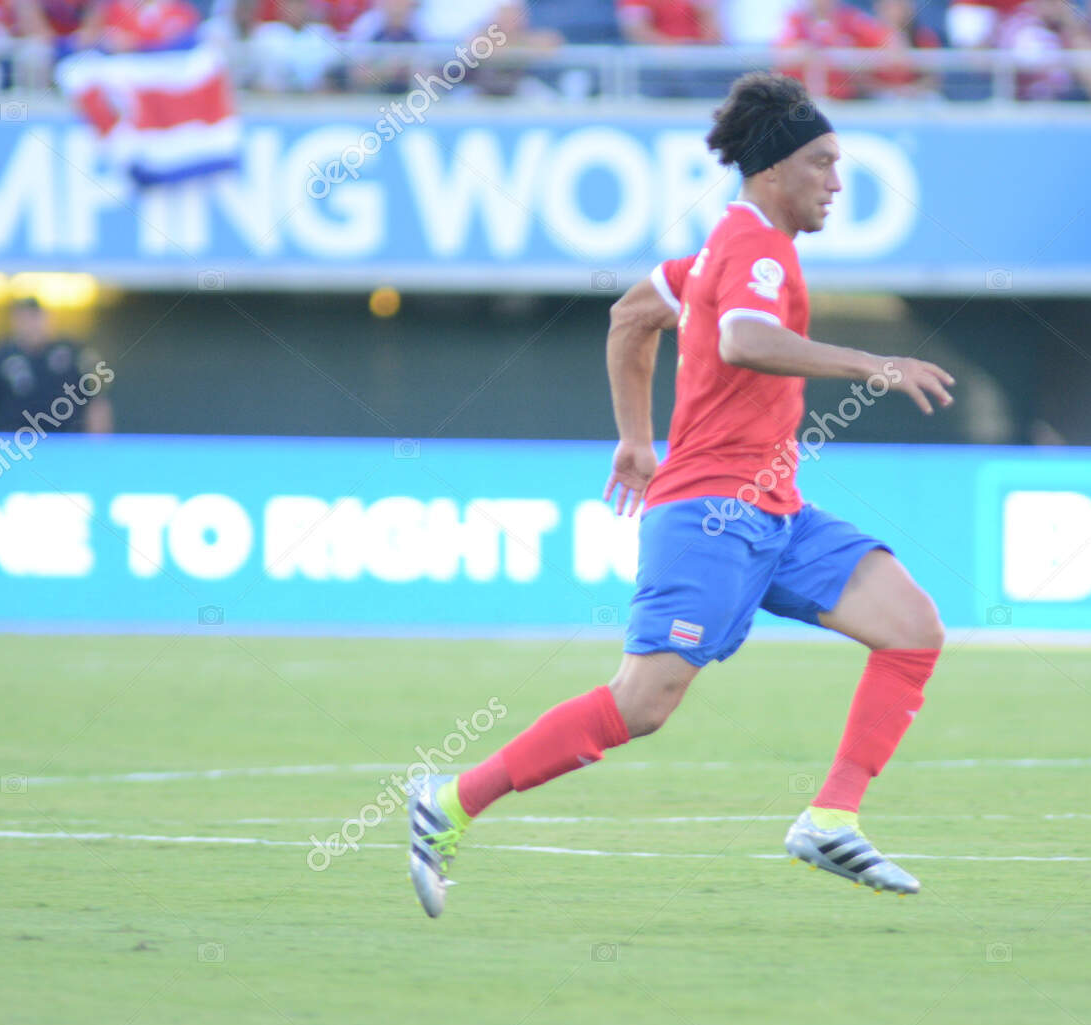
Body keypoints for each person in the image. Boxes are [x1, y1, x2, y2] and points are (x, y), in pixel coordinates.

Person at [408, 71, 956, 917]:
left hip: (774, 508)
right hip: (709, 513)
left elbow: (632, 314)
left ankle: (830, 816)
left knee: (913, 628)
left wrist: (635, 438)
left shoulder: (716, 248)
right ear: (774, 169)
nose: (836, 183)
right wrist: (873, 364)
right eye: (823, 163)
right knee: (642, 704)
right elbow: (742, 338)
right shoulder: (756, 250)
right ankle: (450, 802)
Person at [0, 299, 113, 434]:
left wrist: (97, 450)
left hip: (67, 447)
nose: (31, 325)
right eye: (25, 318)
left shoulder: (76, 355)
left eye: (36, 317)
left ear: (49, 319)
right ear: (15, 320)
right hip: (11, 446)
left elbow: (96, 405)